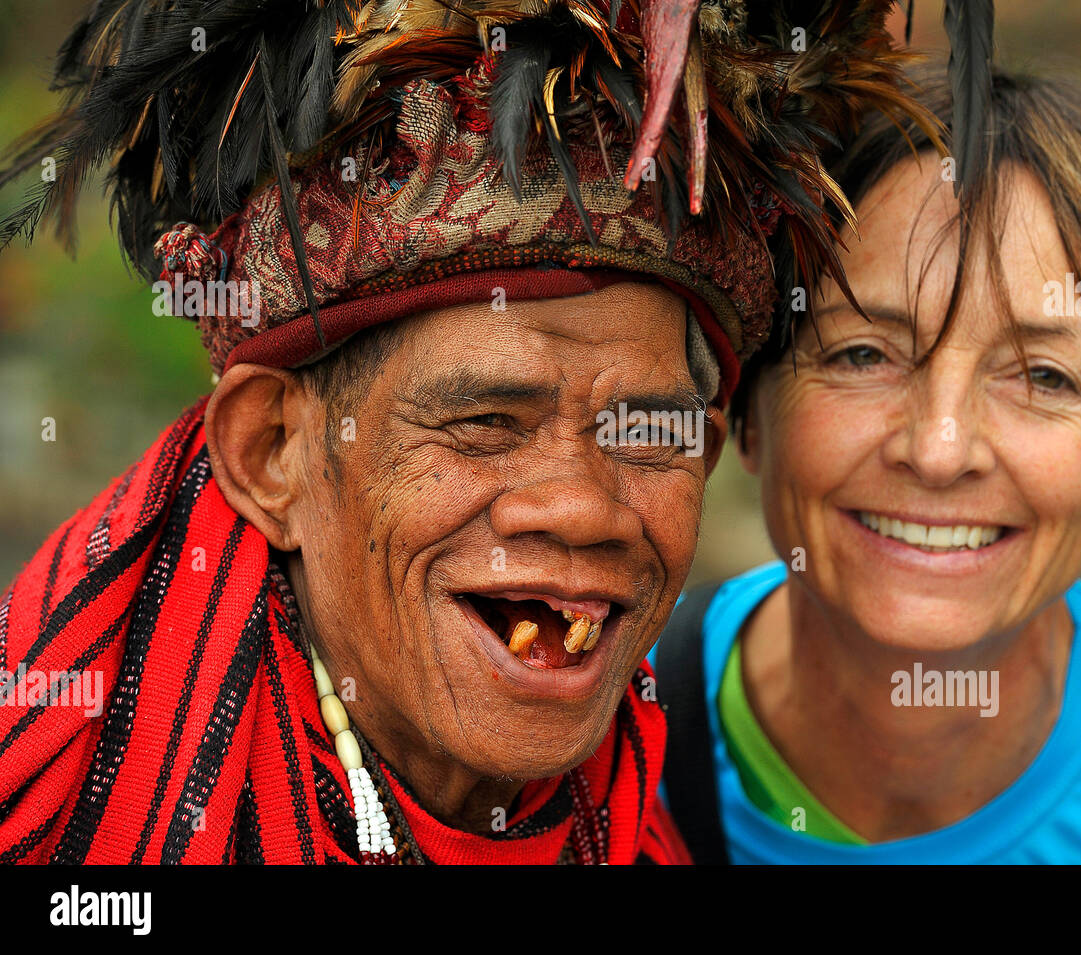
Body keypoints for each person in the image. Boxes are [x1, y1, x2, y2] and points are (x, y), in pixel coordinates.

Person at [0, 0, 928, 864]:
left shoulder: (679, 796)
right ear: (273, 452)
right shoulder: (59, 804)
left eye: (646, 431)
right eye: (485, 422)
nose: (579, 509)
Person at [654, 65, 1081, 864]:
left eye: (1042, 376)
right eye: (863, 354)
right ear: (748, 411)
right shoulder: (583, 739)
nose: (939, 449)